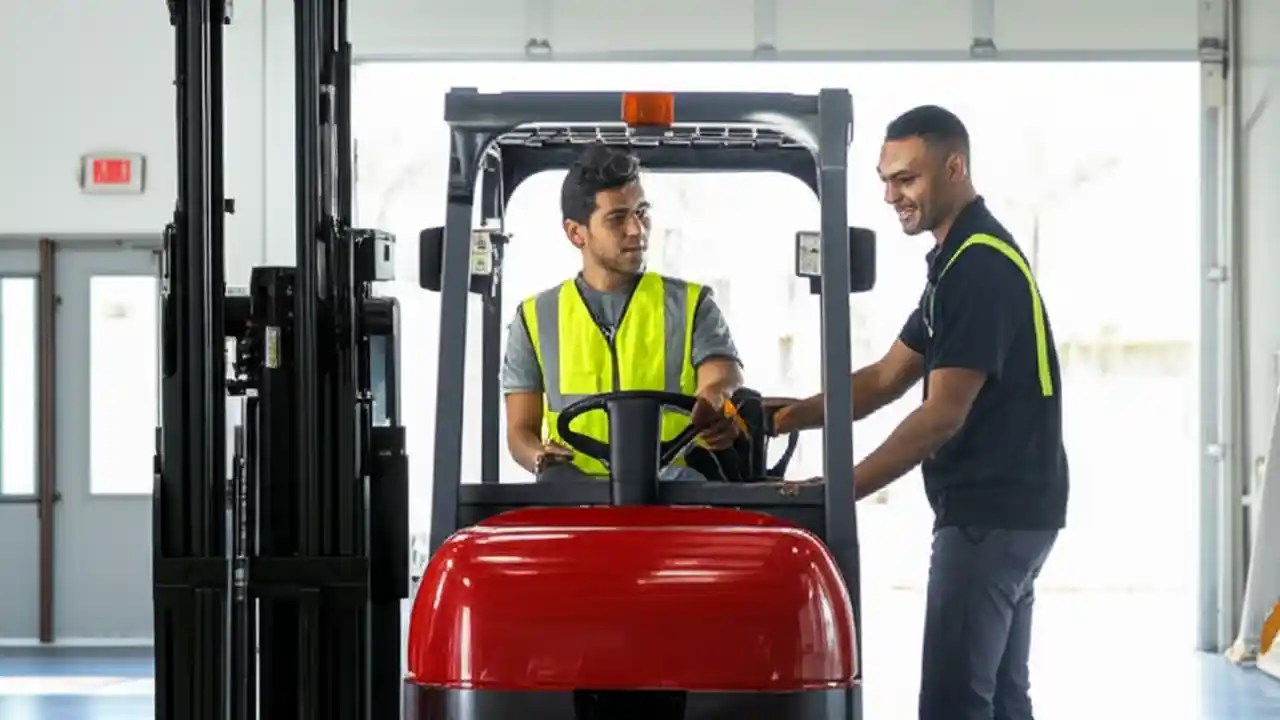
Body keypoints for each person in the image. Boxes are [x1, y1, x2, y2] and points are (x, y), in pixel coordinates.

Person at [770, 106, 1069, 720]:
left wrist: (836, 491)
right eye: (885, 180)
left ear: (954, 167)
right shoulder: (955, 264)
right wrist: (781, 418)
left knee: (955, 706)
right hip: (1015, 515)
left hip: (989, 517)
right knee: (1004, 701)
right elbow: (886, 378)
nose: (890, 196)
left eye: (905, 179)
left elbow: (940, 417)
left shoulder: (979, 268)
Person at [502, 143, 744, 480]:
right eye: (618, 218)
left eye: (642, 212)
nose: (637, 229)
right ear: (576, 233)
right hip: (577, 502)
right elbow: (519, 432)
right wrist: (540, 456)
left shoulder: (691, 304)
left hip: (676, 496)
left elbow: (720, 378)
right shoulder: (534, 318)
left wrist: (714, 403)